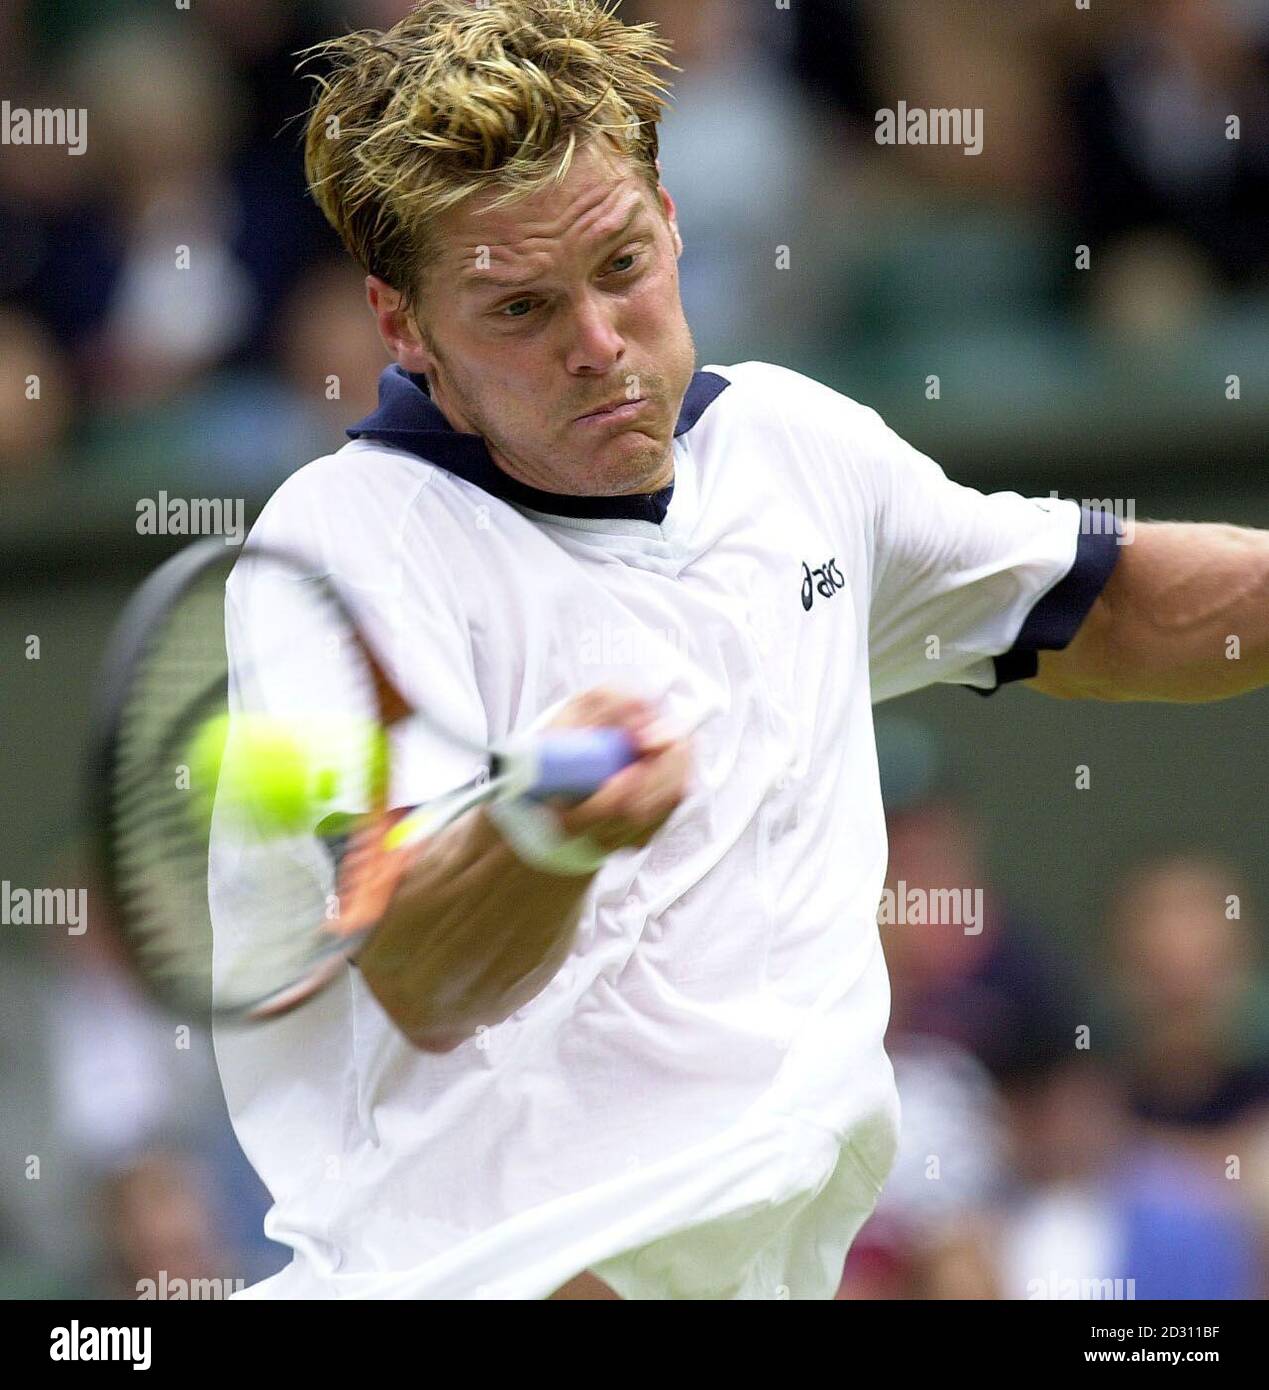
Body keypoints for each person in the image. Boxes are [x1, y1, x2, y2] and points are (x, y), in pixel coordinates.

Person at [217, 0, 1269, 1300]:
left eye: (619, 267)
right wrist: (554, 835)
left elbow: (1115, 605)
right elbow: (425, 973)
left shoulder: (791, 448)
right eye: (521, 308)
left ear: (666, 215)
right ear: (403, 327)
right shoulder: (344, 544)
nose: (596, 343)